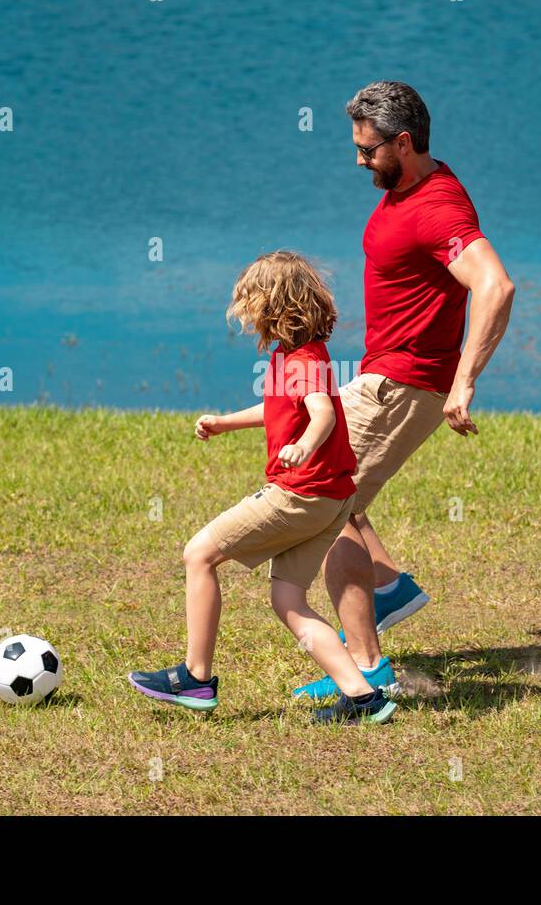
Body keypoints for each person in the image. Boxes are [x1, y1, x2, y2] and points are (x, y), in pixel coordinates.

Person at [293, 81, 517, 700]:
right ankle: (388, 586)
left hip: (402, 385)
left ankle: (366, 674)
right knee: (339, 499)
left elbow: (495, 287)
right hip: (384, 375)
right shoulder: (411, 187)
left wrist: (463, 382)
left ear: (404, 142)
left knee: (321, 505)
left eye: (368, 150)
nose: (358, 160)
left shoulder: (439, 207)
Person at [127, 250, 398, 725]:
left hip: (300, 493)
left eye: (249, 302)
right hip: (331, 500)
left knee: (199, 554)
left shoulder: (302, 362)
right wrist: (225, 423)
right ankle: (364, 697)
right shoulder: (298, 355)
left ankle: (195, 677)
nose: (245, 313)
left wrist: (305, 448)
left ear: (275, 306)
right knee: (288, 600)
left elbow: (323, 414)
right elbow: (277, 409)